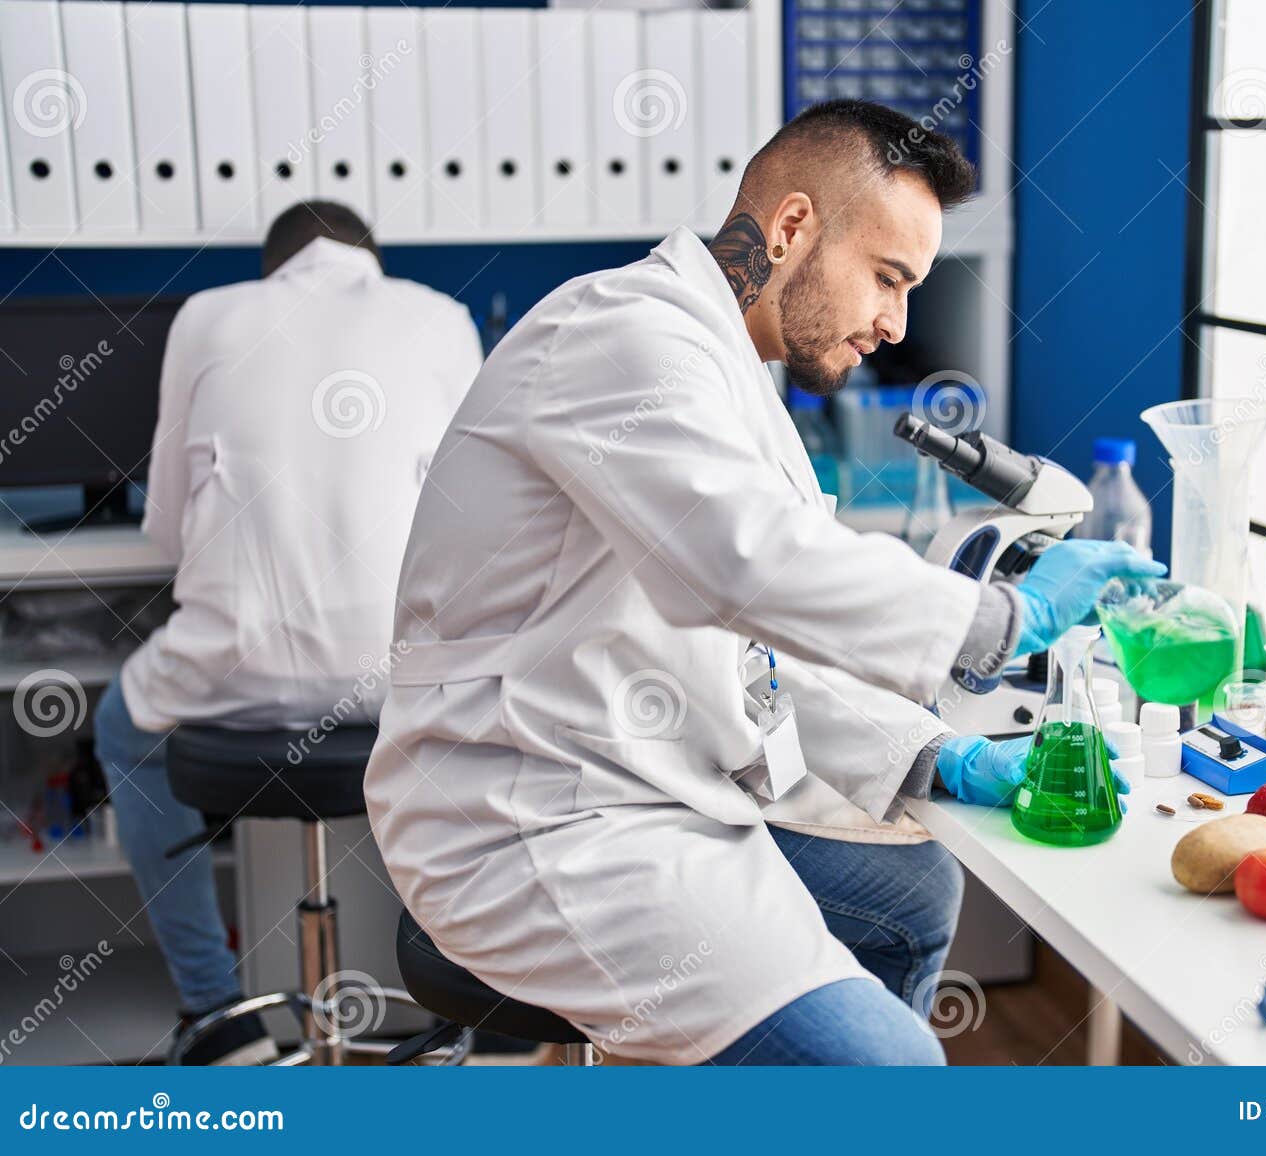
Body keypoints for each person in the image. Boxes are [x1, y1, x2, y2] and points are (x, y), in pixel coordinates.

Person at [365, 101, 1161, 1066]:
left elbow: (759, 653)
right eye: (887, 278)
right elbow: (748, 564)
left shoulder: (732, 376)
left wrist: (929, 755)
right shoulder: (616, 335)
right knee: (892, 1071)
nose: (896, 322)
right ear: (791, 228)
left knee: (914, 894)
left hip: (652, 783)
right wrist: (1004, 615)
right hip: (533, 818)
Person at [94, 201, 483, 1064]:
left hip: (234, 672)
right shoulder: (443, 317)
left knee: (121, 731)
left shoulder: (206, 316)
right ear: (370, 261)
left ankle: (219, 1016)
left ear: (275, 267)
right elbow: (476, 521)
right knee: (464, 721)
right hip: (397, 679)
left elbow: (165, 528)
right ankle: (450, 1006)